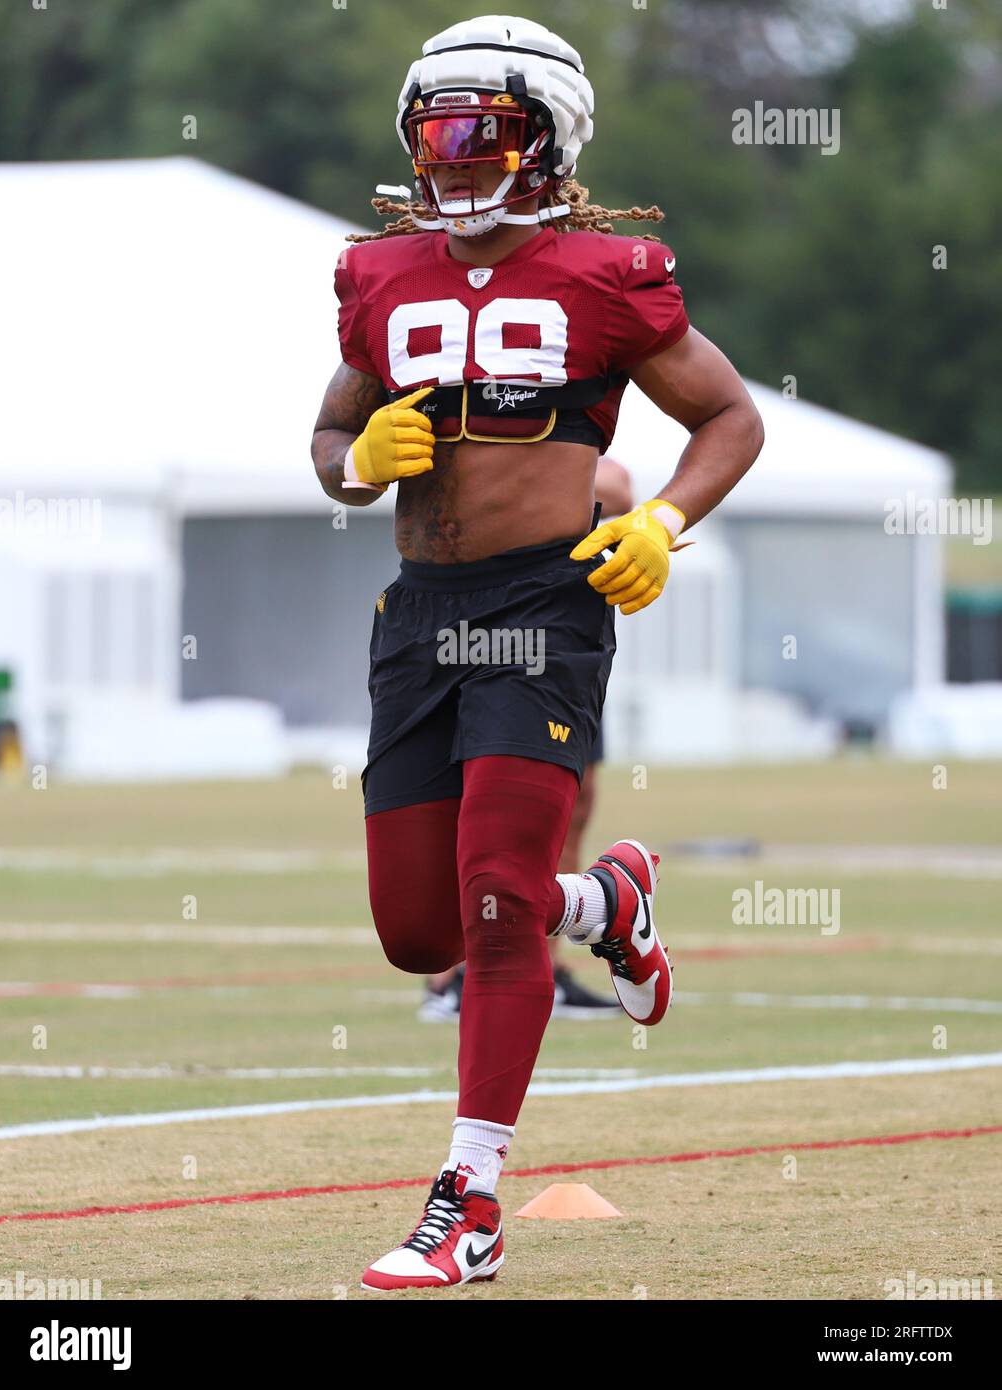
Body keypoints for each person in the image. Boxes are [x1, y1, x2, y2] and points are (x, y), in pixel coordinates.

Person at [311, 15, 763, 1291]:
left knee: (498, 893)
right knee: (418, 932)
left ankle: (469, 1201)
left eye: (480, 133)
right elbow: (329, 433)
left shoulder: (606, 274)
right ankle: (609, 904)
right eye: (433, 134)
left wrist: (663, 524)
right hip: (419, 612)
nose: (450, 159)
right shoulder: (379, 275)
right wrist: (353, 470)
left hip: (542, 608)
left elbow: (727, 414)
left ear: (549, 138)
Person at [419, 456, 633, 1023]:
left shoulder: (567, 413)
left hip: (559, 630)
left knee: (570, 804)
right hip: (490, 627)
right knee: (479, 802)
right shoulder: (473, 413)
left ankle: (542, 964)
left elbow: (619, 493)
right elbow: (612, 489)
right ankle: (461, 970)